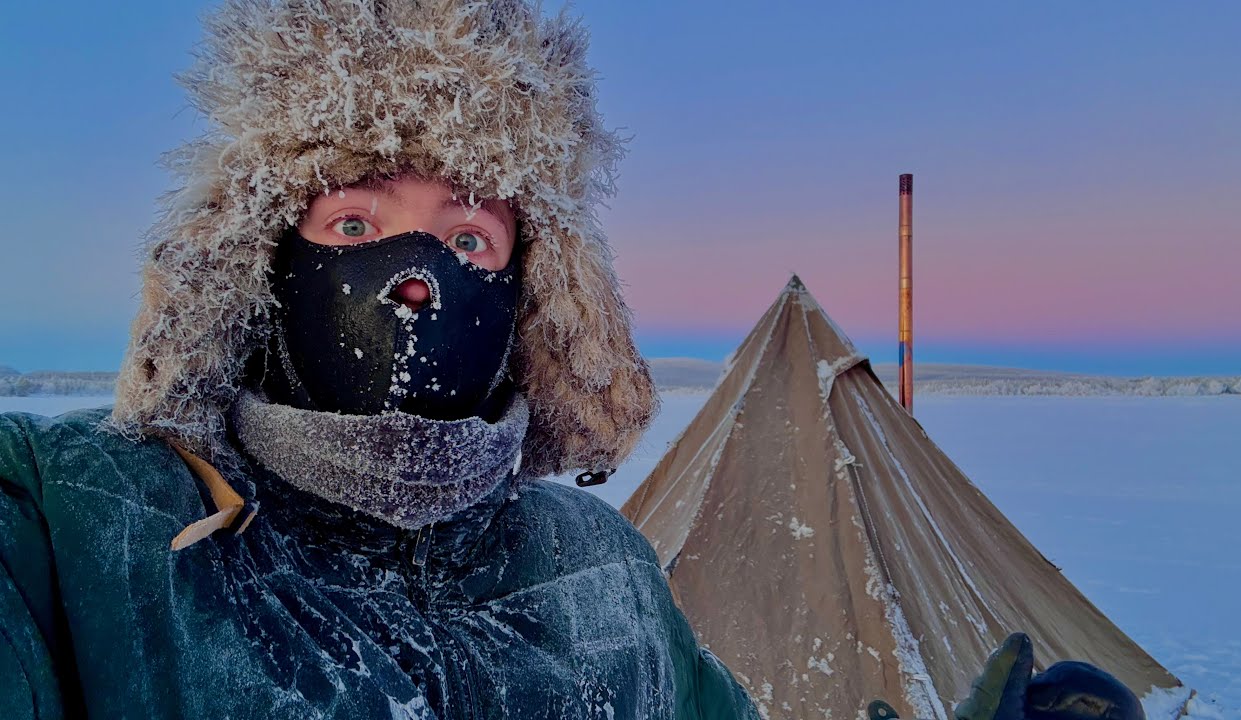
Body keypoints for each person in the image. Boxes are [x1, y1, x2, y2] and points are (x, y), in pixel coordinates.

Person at [0, 1, 761, 717]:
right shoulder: (75, 515)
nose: (416, 284)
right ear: (266, 262)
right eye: (356, 223)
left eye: (468, 241)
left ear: (530, 294)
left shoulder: (605, 569)